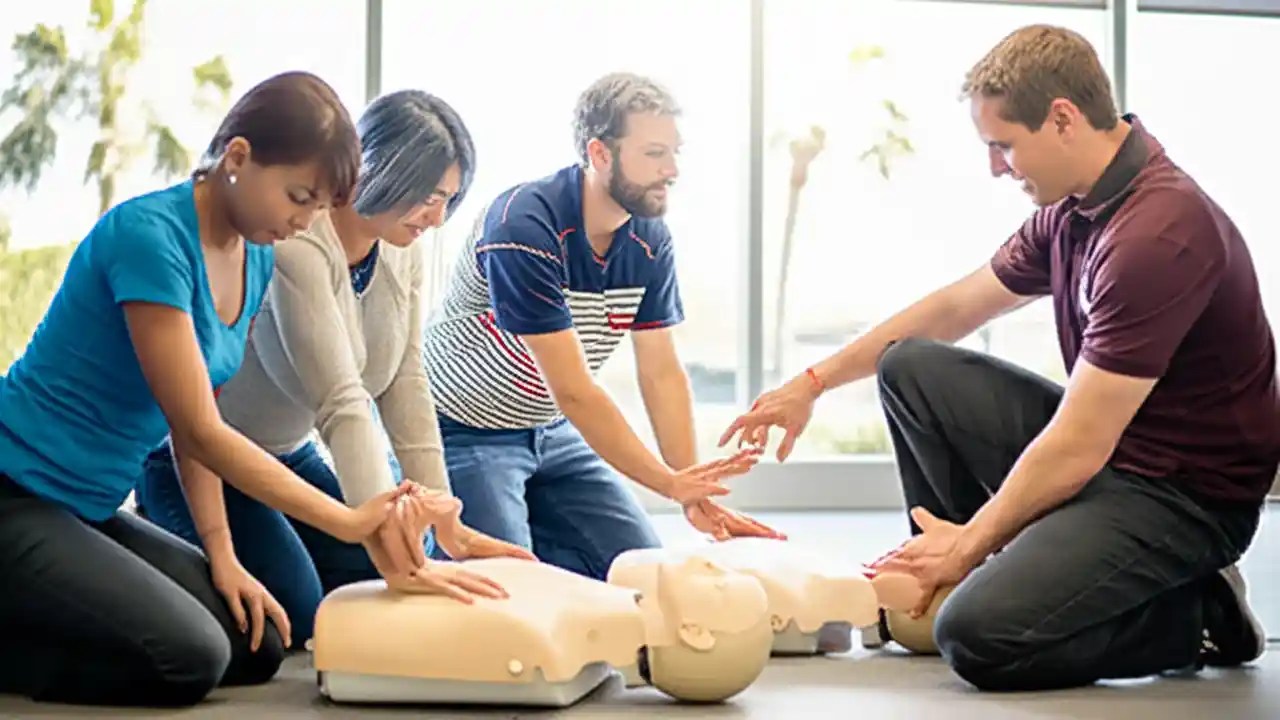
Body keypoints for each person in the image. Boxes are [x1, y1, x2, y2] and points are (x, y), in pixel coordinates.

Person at [722, 25, 1278, 691]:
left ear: (1063, 119)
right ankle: (949, 573)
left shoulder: (1157, 235)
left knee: (978, 637)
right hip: (1120, 454)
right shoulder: (1076, 208)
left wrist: (970, 545)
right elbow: (956, 307)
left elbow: (1078, 446)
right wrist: (813, 384)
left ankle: (1198, 616)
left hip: (1184, 498)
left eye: (1004, 145)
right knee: (910, 367)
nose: (996, 167)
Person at [0, 71, 437, 708]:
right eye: (298, 197)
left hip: (90, 506)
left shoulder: (255, 256)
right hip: (18, 493)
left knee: (255, 644)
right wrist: (346, 520)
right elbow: (202, 430)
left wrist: (223, 557)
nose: (304, 221)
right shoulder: (149, 238)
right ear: (237, 157)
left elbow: (197, 425)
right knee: (189, 659)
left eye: (319, 207)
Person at [137, 89, 527, 651]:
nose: (437, 218)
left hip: (289, 457)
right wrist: (392, 544)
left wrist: (443, 518)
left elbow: (405, 381)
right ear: (382, 170)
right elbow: (342, 401)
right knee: (298, 609)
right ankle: (160, 533)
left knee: (395, 565)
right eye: (428, 197)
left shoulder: (403, 249)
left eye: (448, 200)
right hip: (211, 461)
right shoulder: (296, 241)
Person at [421, 72, 782, 582]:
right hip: (463, 430)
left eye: (675, 152)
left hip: (552, 431)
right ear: (600, 153)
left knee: (641, 574)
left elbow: (661, 372)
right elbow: (574, 390)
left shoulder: (649, 239)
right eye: (654, 153)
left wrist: (691, 488)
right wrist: (667, 483)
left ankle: (529, 533)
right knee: (505, 589)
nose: (672, 170)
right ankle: (436, 537)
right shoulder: (521, 226)